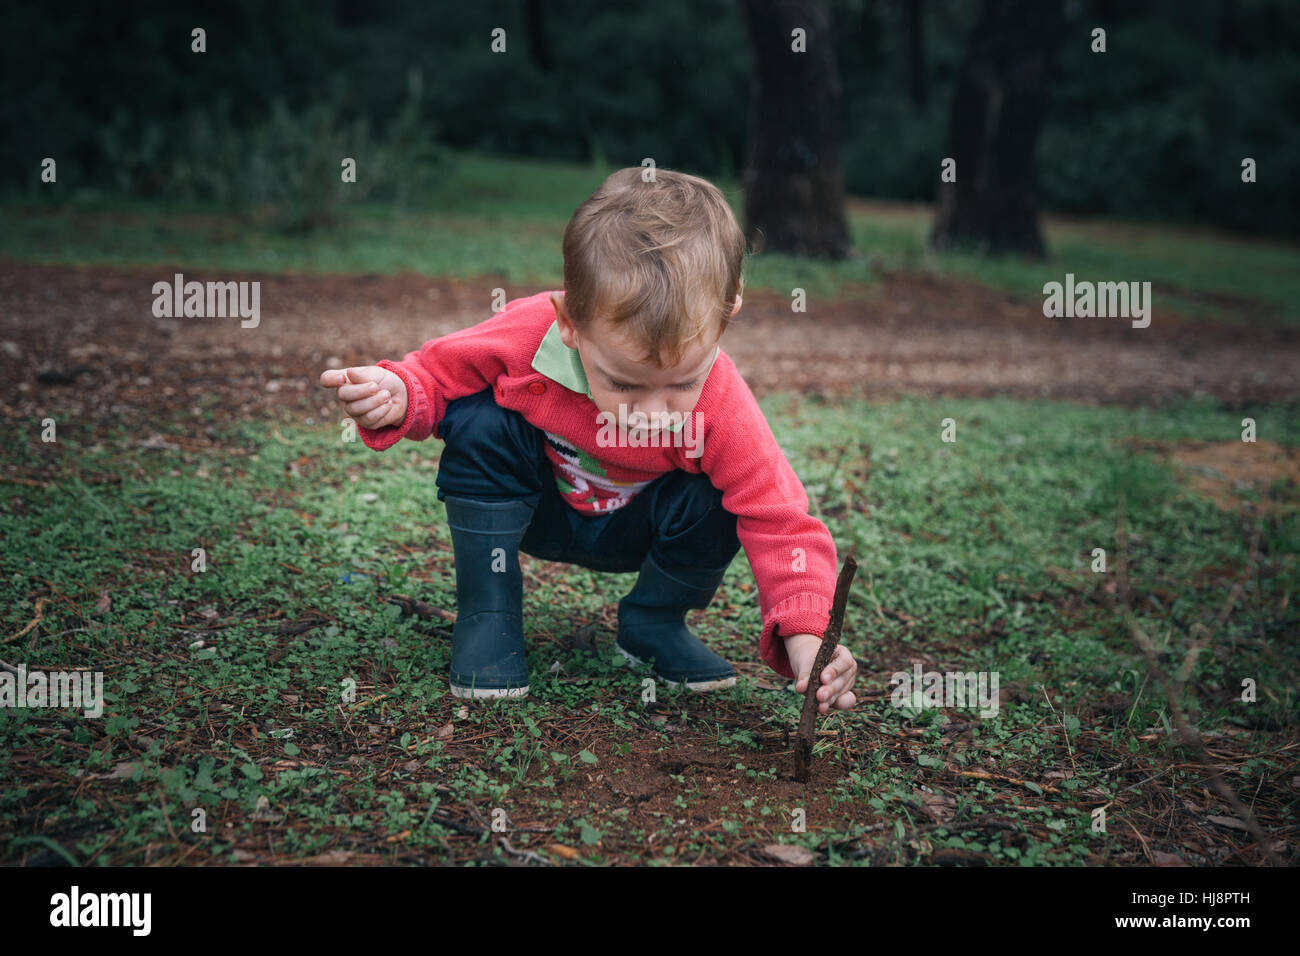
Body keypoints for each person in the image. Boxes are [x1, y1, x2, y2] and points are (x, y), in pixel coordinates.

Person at [320, 167, 858, 712]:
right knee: (482, 418)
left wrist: (810, 641)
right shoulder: (529, 333)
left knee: (726, 492)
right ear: (571, 322)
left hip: (639, 532)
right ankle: (488, 614)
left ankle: (653, 621)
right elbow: (437, 376)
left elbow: (780, 518)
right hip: (533, 510)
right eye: (624, 382)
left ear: (726, 317)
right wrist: (399, 393)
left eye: (681, 383)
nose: (649, 413)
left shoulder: (723, 404)